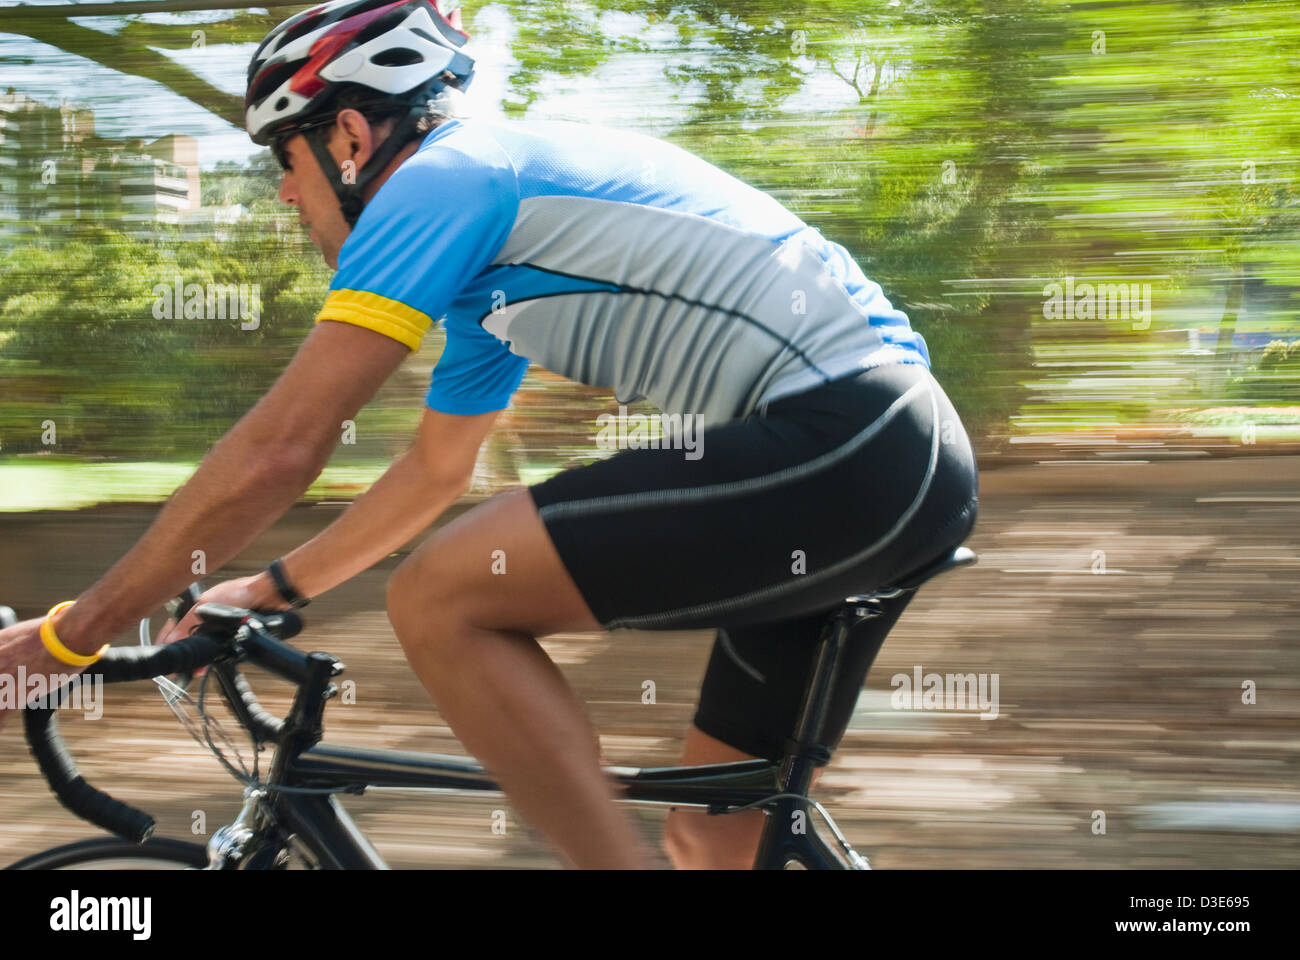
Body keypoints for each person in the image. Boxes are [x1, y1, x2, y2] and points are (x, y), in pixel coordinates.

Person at [0, 0, 978, 869]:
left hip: (849, 442)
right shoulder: (492, 279)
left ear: (347, 134)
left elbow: (278, 450)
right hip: (884, 462)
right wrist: (264, 587)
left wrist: (72, 635)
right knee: (716, 838)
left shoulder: (447, 181)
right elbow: (433, 473)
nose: (286, 199)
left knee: (441, 596)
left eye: (281, 164)